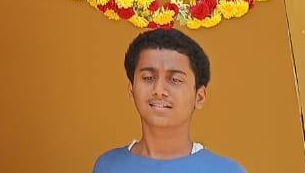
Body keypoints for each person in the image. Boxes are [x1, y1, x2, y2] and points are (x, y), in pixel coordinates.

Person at [92, 29, 245, 172]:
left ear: (199, 96)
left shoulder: (225, 170)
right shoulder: (107, 166)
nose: (159, 90)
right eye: (148, 78)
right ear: (131, 90)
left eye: (175, 79)